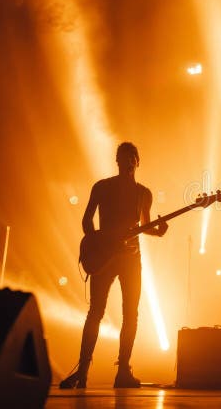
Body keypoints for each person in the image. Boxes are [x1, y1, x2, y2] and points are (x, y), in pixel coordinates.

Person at [60, 142, 168, 389]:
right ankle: (83, 371)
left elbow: (145, 225)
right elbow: (87, 219)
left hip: (132, 259)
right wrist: (99, 243)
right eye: (122, 158)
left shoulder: (144, 193)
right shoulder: (102, 187)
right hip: (105, 257)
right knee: (96, 311)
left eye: (131, 158)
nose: (126, 162)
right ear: (117, 161)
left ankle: (123, 372)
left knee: (131, 314)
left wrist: (157, 232)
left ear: (137, 162)